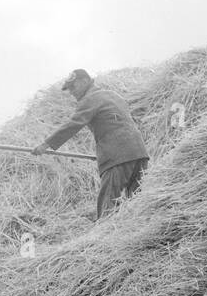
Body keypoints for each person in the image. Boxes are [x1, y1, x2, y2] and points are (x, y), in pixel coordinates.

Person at [32, 69, 149, 218]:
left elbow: (74, 124)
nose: (72, 92)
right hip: (139, 152)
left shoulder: (90, 99)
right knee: (138, 203)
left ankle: (105, 238)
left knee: (108, 205)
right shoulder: (114, 95)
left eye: (73, 87)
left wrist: (46, 144)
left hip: (117, 156)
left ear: (85, 81)